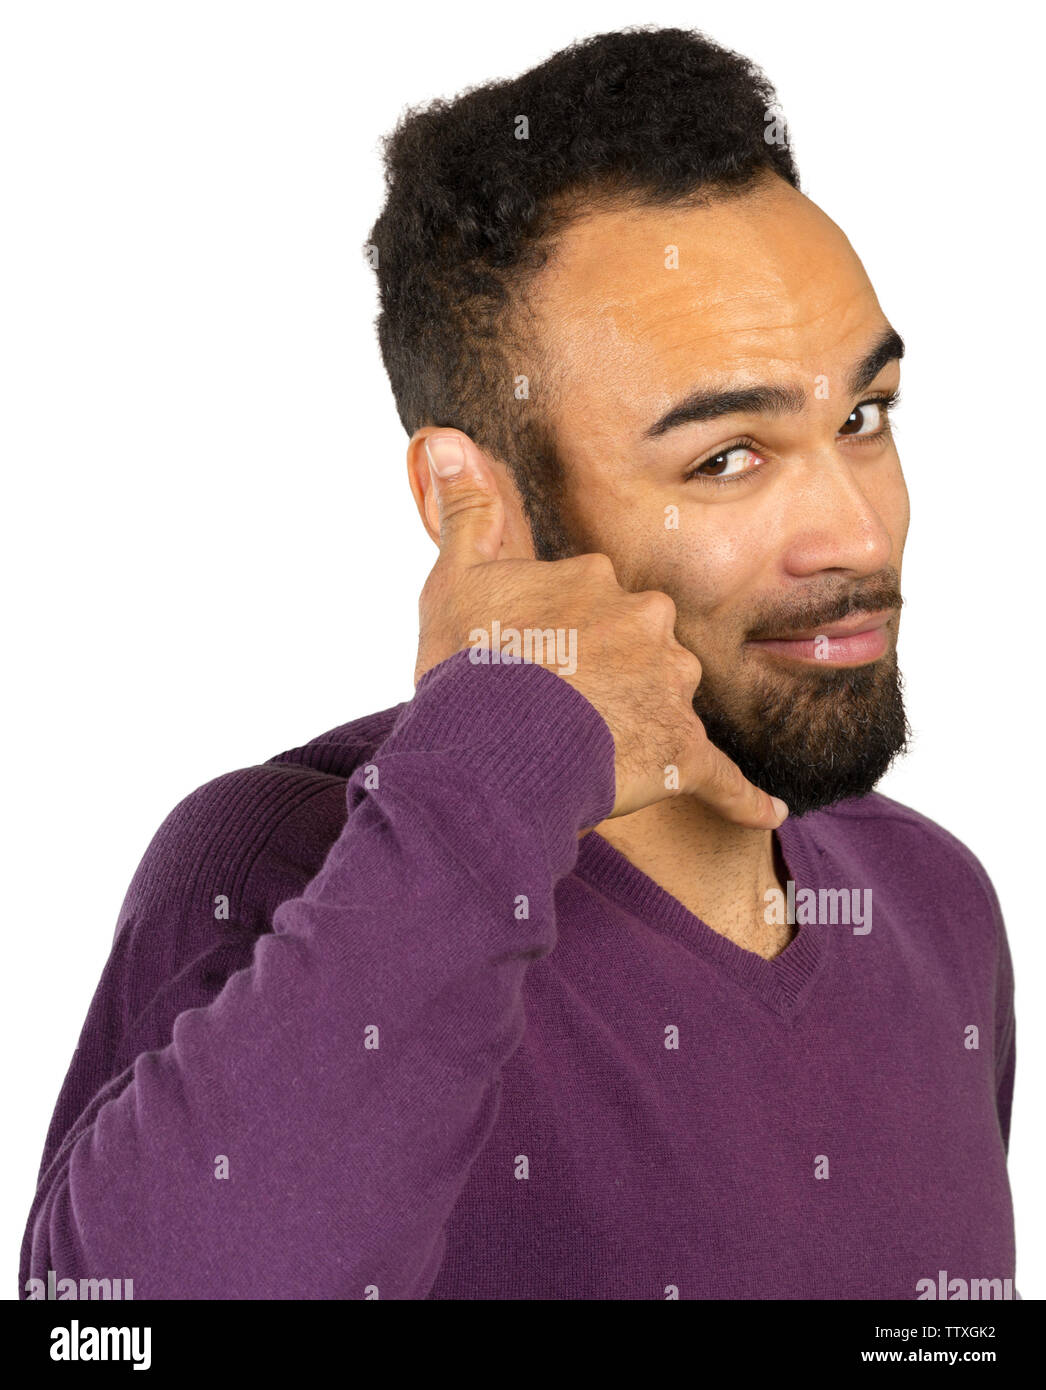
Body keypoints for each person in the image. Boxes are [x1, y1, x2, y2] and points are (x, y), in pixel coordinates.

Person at [20, 25, 1016, 1301]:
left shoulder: (931, 900)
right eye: (724, 458)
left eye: (862, 416)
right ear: (470, 503)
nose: (861, 534)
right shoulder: (278, 864)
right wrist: (487, 758)